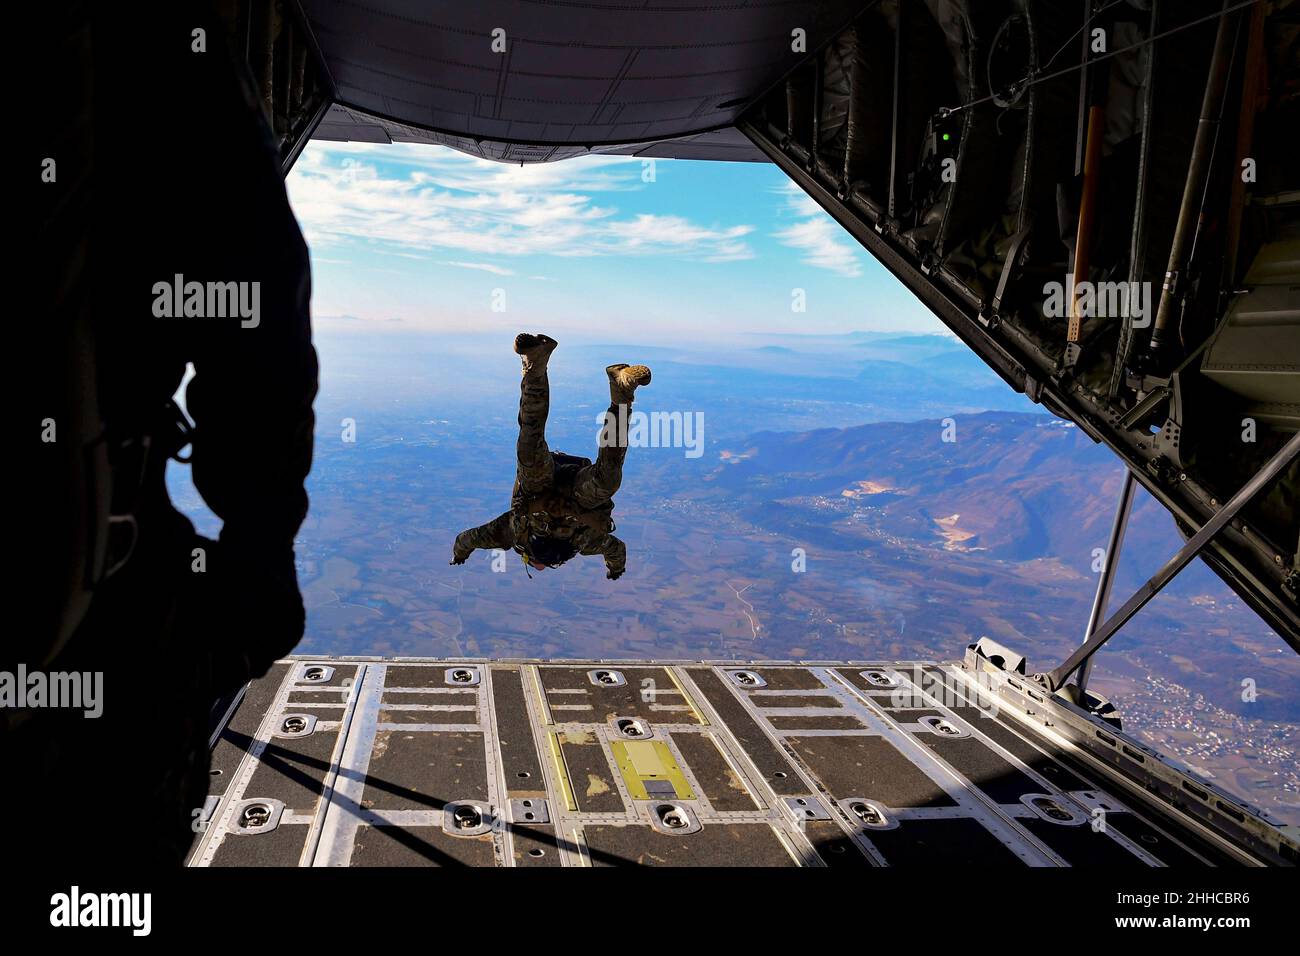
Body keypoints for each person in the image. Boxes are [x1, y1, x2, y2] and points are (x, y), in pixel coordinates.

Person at [451, 333, 650, 579]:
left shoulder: (512, 533)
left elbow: (468, 539)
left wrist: (460, 554)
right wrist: (615, 568)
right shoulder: (585, 542)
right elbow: (616, 550)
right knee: (608, 477)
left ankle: (534, 366)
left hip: (539, 488)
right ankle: (621, 393)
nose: (542, 565)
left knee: (529, 446)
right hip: (578, 491)